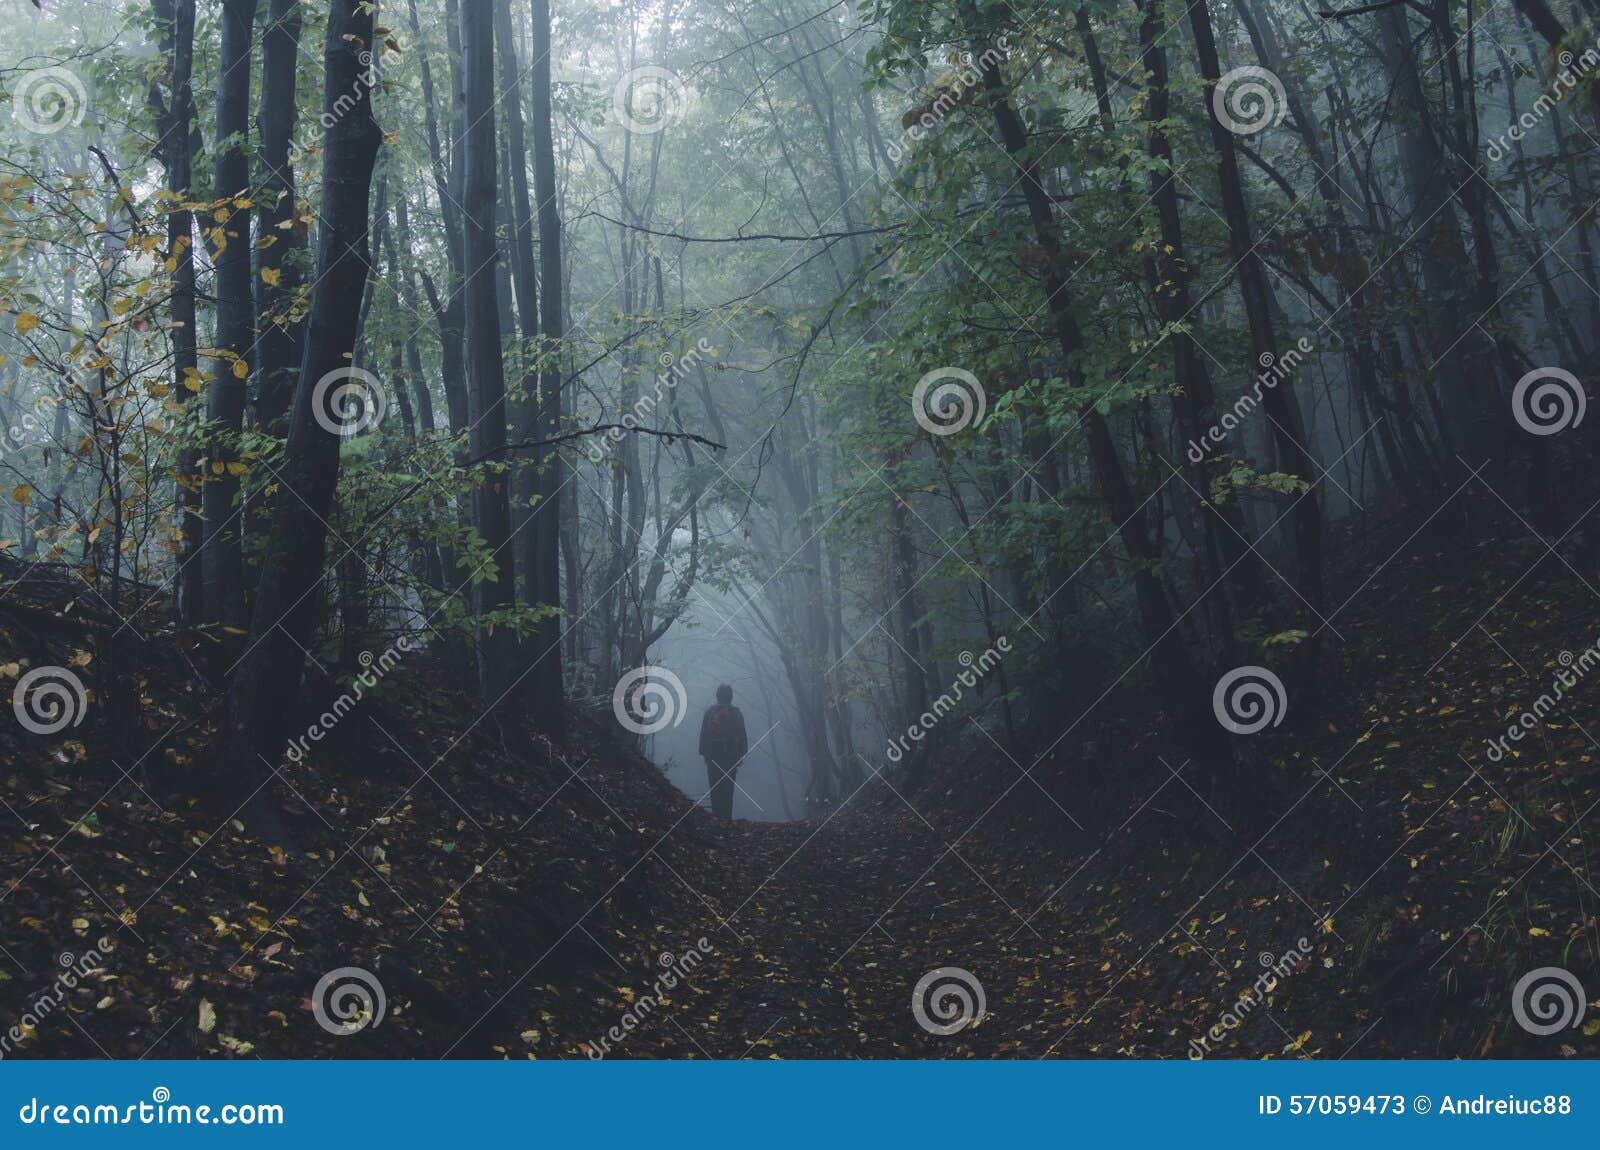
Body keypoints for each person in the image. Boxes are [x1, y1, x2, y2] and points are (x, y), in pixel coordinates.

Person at [697, 684, 748, 820]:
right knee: (728, 790)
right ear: (731, 697)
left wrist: (705, 755)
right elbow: (742, 735)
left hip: (713, 757)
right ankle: (727, 820)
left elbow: (704, 735)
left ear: (717, 696)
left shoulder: (709, 712)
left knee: (715, 789)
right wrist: (741, 754)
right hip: (730, 757)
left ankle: (716, 819)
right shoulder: (736, 713)